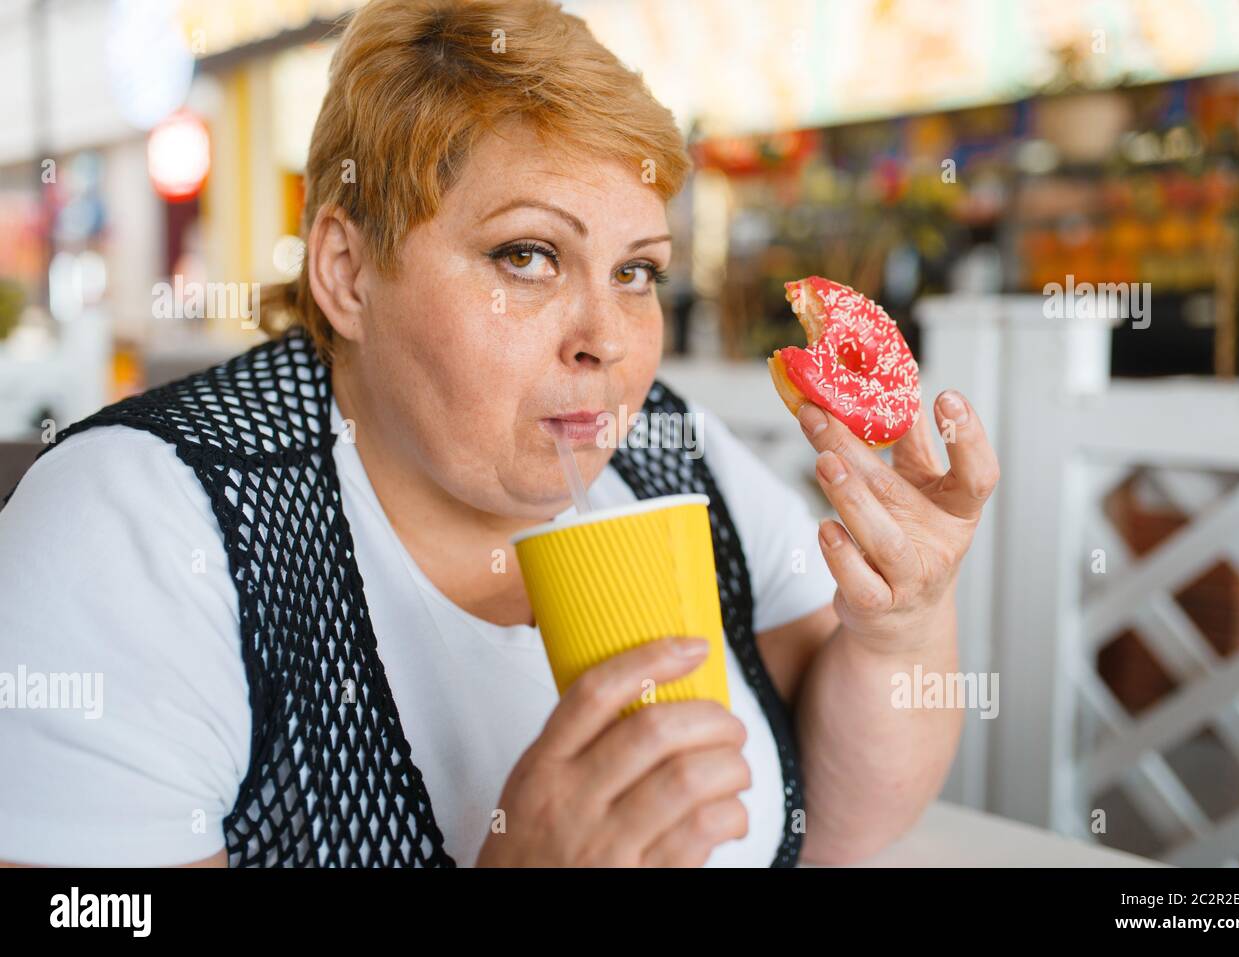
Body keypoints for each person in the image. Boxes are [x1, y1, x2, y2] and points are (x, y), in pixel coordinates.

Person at [0, 0, 998, 868]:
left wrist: (900, 624)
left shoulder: (666, 449)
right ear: (347, 272)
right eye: (526, 255)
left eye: (637, 270)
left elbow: (847, 822)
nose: (606, 339)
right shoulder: (138, 523)